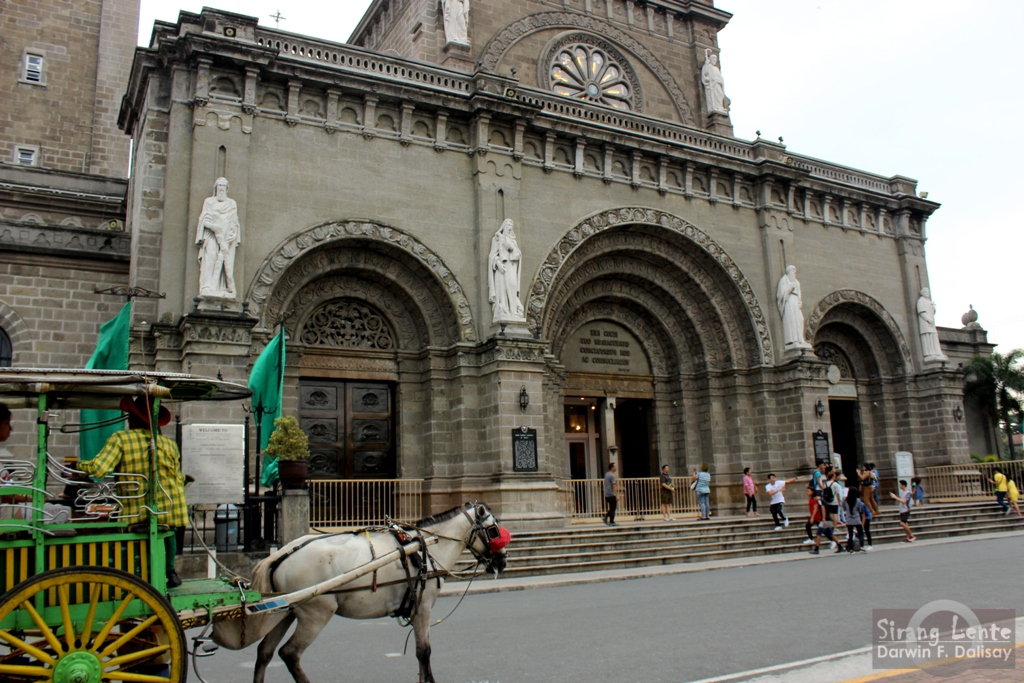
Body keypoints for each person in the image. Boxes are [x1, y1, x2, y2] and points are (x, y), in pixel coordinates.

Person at [78, 396, 187, 587]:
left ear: (133, 418)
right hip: (171, 512)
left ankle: (131, 571)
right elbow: (178, 477)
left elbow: (99, 470)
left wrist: (78, 465)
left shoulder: (121, 438)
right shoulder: (169, 444)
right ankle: (170, 572)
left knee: (122, 525)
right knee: (169, 527)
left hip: (137, 511)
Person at [195, 177, 242, 298]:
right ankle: (207, 286)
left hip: (225, 239)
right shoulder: (209, 202)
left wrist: (231, 236)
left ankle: (224, 287)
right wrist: (214, 227)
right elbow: (204, 220)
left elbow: (234, 222)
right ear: (215, 188)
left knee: (224, 262)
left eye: (223, 186)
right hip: (211, 235)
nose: (221, 188)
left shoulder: (231, 204)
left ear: (227, 189)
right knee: (210, 258)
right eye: (219, 186)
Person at [603, 462, 618, 527]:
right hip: (611, 494)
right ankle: (611, 521)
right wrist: (617, 494)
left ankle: (606, 517)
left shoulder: (607, 474)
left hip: (607, 494)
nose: (616, 468)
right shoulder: (612, 476)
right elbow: (614, 485)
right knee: (613, 508)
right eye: (615, 466)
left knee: (612, 507)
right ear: (612, 468)